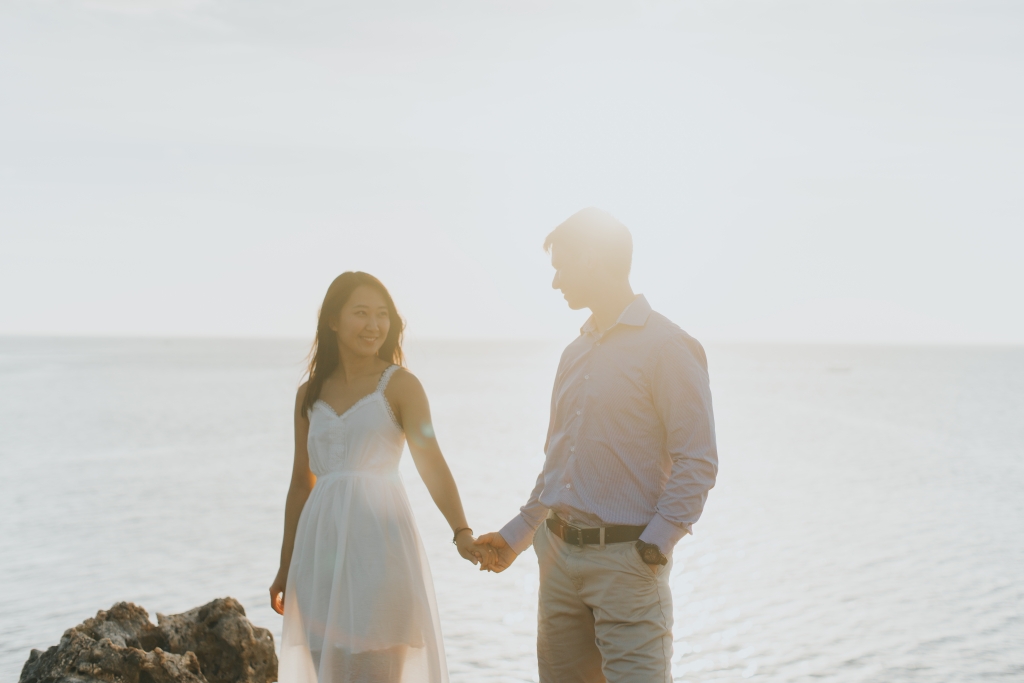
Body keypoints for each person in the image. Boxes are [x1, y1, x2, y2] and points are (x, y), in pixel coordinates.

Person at [475, 208, 718, 683]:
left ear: (591, 259)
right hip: (558, 559)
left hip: (628, 565)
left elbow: (698, 460)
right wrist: (516, 538)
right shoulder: (574, 352)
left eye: (561, 267)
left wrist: (655, 545)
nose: (555, 283)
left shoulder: (668, 347)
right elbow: (557, 466)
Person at [269, 271, 490, 683]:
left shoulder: (400, 386)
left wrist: (461, 531)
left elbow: (432, 463)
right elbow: (302, 483)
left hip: (380, 548)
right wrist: (285, 567)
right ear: (333, 320)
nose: (374, 325)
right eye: (361, 313)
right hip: (319, 552)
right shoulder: (309, 394)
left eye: (382, 315)